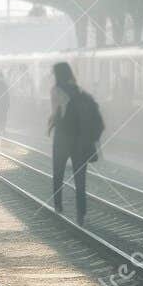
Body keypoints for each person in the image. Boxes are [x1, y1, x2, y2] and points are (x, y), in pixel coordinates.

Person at [48, 61, 102, 225]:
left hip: (62, 138)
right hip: (80, 140)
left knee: (58, 173)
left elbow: (55, 113)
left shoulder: (56, 90)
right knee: (80, 178)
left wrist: (52, 122)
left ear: (57, 74)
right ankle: (81, 214)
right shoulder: (79, 91)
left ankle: (58, 206)